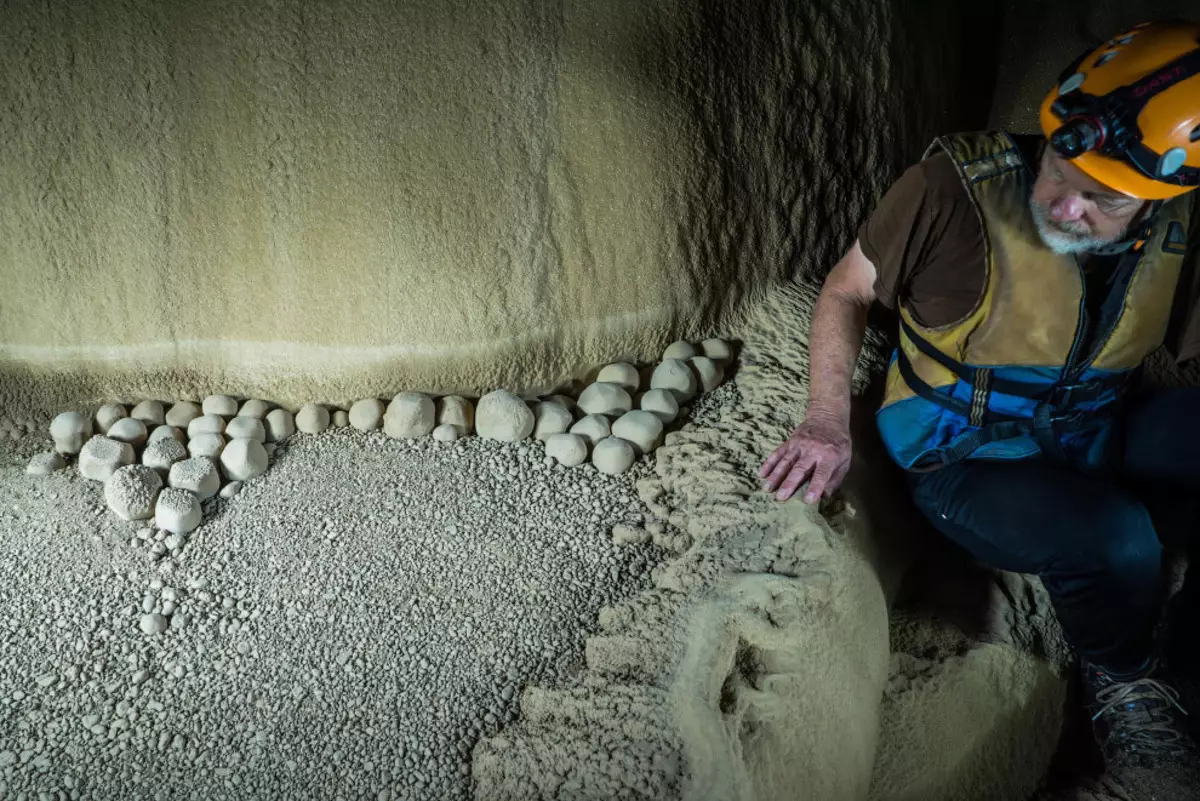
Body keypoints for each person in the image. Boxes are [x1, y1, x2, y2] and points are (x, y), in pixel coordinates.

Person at [759, 19, 1200, 794]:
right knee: (1118, 536)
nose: (1064, 204)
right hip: (965, 457)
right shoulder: (950, 191)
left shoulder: (1178, 225)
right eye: (1062, 165)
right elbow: (846, 287)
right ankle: (1124, 675)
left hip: (1093, 431)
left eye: (1103, 200)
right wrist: (826, 418)